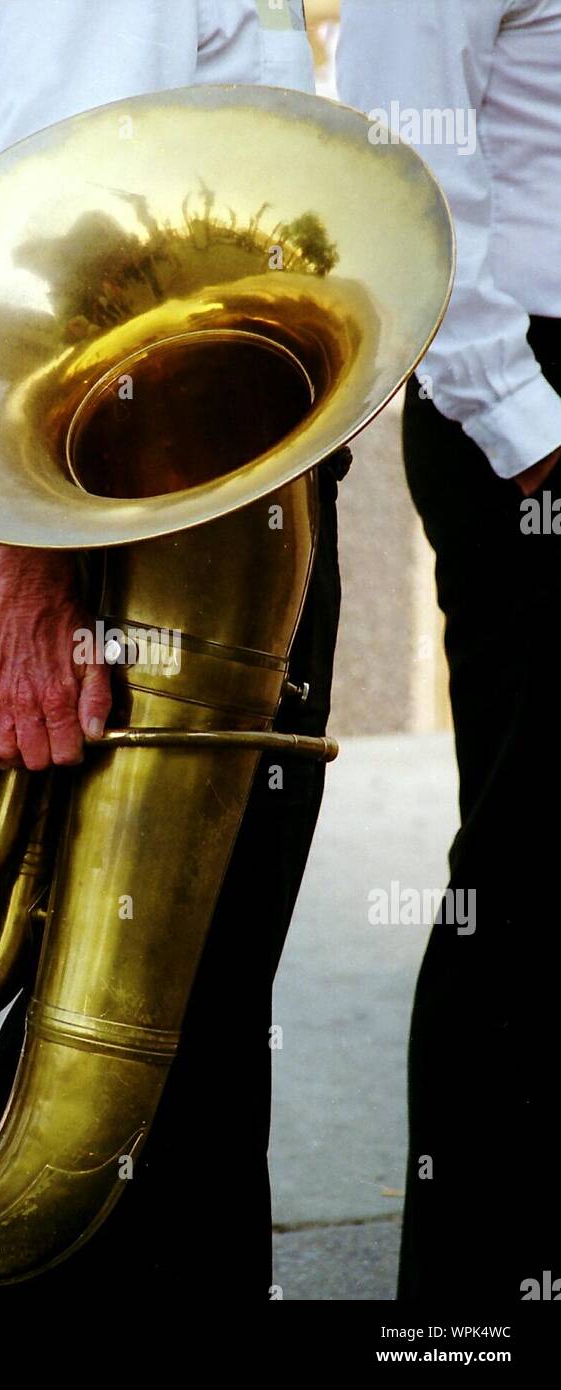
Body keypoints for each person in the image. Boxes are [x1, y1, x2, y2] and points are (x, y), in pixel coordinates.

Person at [0, 0, 346, 1306]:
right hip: (114, 519)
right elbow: (56, 233)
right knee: (125, 1032)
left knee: (181, 1025)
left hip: (169, 500)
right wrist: (27, 580)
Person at [337, 0, 561, 1301]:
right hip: (526, 390)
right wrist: (532, 432)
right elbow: (397, 164)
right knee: (526, 866)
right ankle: (472, 1301)